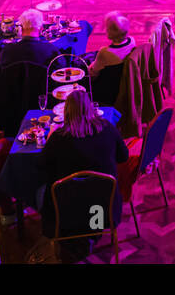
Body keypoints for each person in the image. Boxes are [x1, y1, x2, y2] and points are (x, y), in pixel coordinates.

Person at [39, 87, 129, 239]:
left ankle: (69, 236)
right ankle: (94, 231)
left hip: (67, 212)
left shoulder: (58, 138)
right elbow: (123, 156)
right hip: (103, 208)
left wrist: (49, 139)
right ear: (91, 108)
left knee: (42, 188)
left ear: (66, 111)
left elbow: (41, 166)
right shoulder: (107, 128)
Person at [86, 12, 137, 79]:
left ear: (113, 32)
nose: (106, 29)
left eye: (107, 27)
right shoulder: (132, 41)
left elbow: (94, 73)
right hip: (125, 80)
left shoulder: (104, 52)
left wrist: (90, 67)